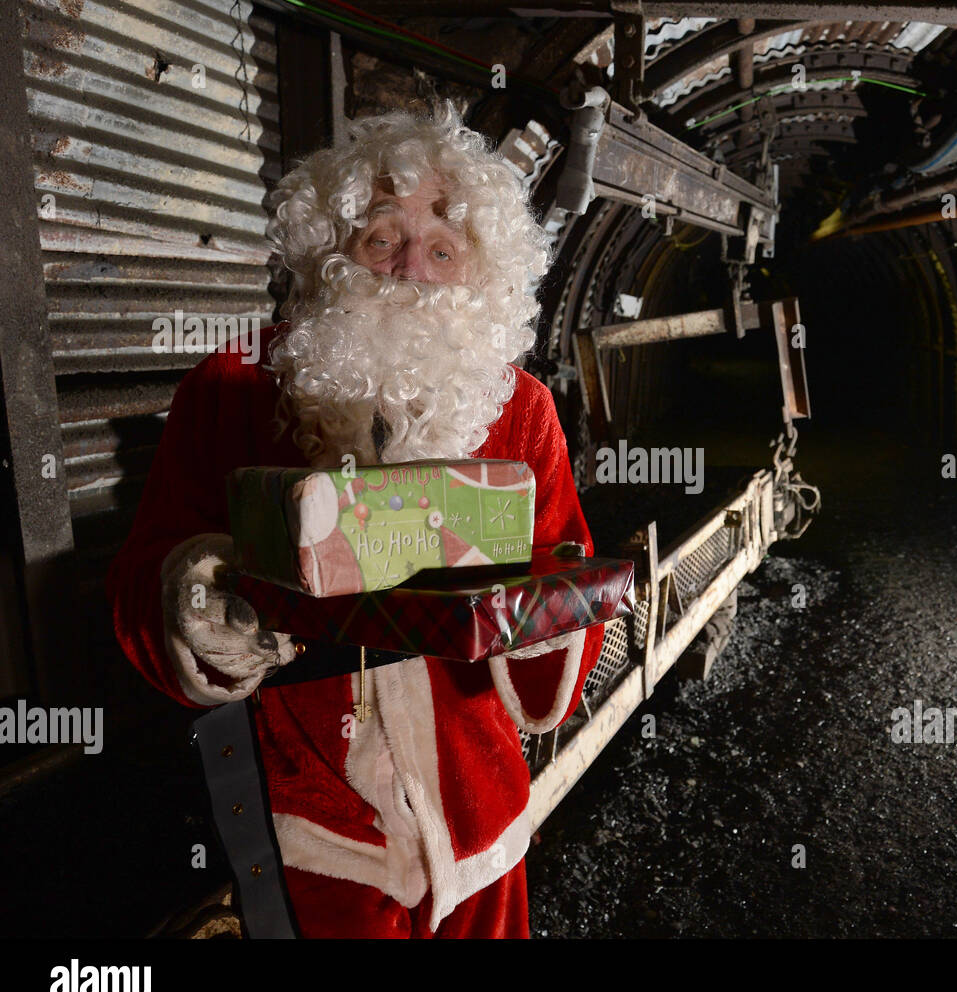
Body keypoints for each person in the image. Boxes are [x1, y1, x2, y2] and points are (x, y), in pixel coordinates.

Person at [105, 103, 604, 938]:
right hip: (306, 828)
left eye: (443, 249)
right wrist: (191, 596)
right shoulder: (229, 388)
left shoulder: (523, 411)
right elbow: (135, 588)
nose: (411, 268)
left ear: (482, 277)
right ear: (328, 254)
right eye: (381, 238)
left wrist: (548, 617)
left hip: (480, 821)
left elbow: (570, 572)